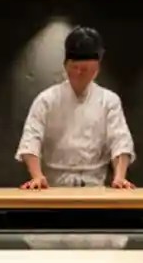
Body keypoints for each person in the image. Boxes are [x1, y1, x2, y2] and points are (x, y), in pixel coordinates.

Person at [14, 26, 136, 189]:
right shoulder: (46, 100)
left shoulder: (109, 101)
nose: (79, 73)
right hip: (53, 185)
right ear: (65, 66)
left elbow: (120, 140)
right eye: (74, 68)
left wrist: (120, 176)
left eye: (85, 70)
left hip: (94, 186)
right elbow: (31, 139)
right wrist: (37, 176)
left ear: (96, 70)